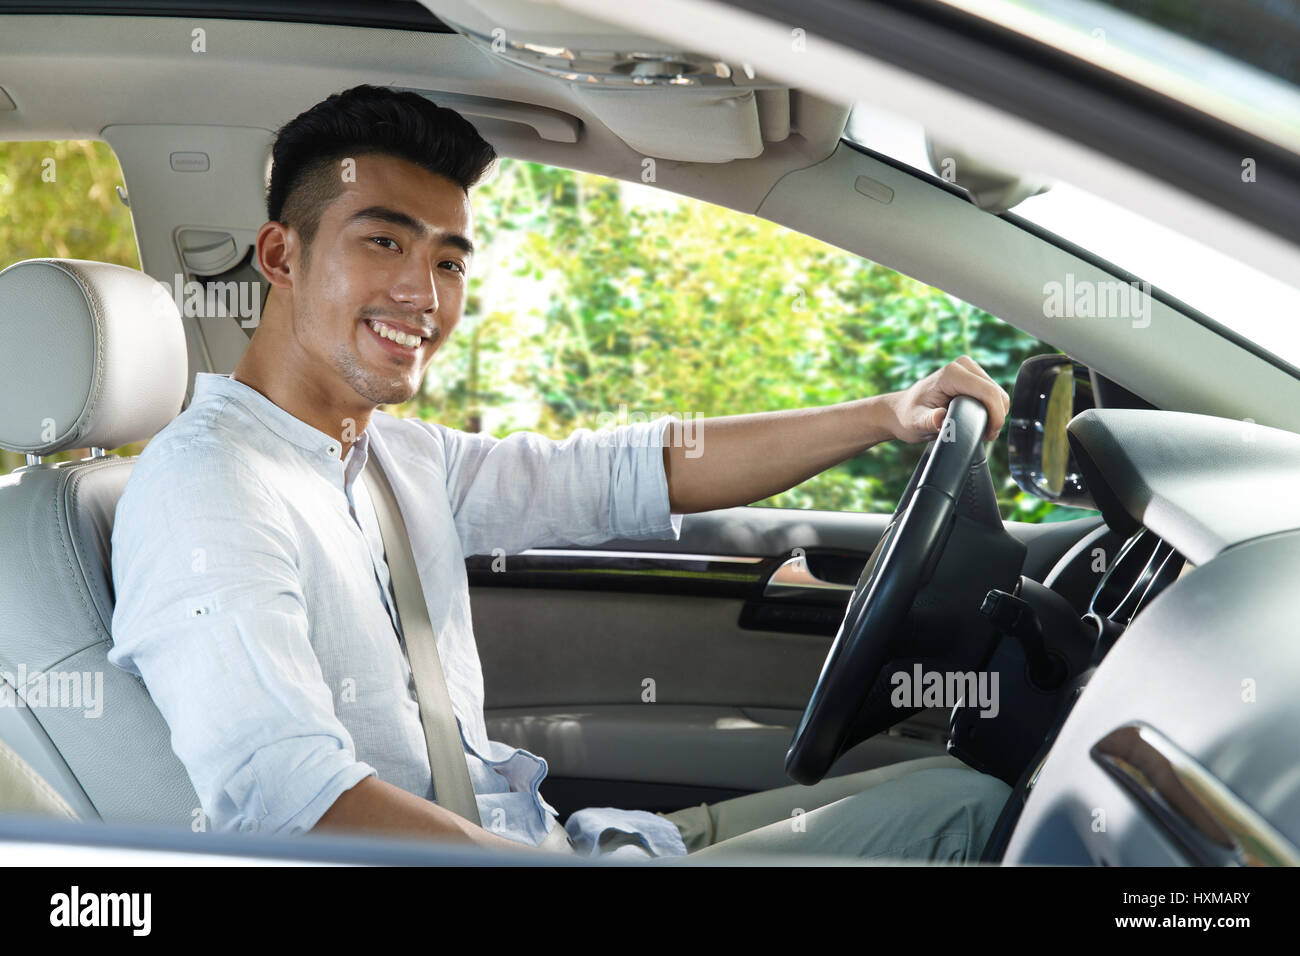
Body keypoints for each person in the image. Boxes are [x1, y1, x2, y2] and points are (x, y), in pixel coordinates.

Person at [109, 85, 1013, 862]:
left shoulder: (392, 457)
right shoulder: (209, 490)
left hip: (556, 839)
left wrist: (885, 416)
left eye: (448, 260)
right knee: (969, 820)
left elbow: (628, 471)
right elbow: (293, 805)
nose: (424, 296)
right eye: (383, 243)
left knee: (955, 792)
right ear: (281, 257)